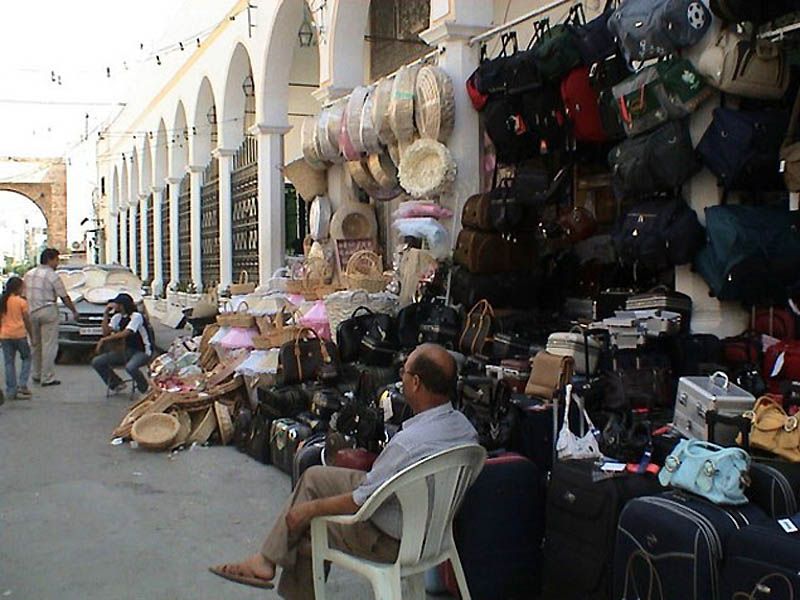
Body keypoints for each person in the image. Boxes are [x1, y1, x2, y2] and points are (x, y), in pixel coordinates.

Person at [209, 343, 478, 599]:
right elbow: (377, 484)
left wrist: (308, 511)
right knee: (314, 477)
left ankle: (270, 563)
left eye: (404, 373)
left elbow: (359, 501)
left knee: (308, 530)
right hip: (433, 529)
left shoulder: (408, 443)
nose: (402, 379)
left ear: (416, 383)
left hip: (392, 539)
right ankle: (265, 561)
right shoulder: (465, 429)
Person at [23, 248, 79, 387]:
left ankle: (36, 373)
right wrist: (73, 310)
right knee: (49, 345)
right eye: (56, 260)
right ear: (50, 259)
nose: (57, 263)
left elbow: (23, 295)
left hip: (31, 311)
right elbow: (63, 296)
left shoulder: (28, 274)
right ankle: (47, 377)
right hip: (48, 311)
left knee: (36, 344)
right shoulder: (52, 275)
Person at [91, 292, 153, 394]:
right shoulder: (117, 317)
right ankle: (116, 384)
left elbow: (126, 333)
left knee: (131, 367)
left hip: (142, 351)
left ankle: (145, 388)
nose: (114, 306)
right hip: (126, 350)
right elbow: (105, 332)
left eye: (117, 304)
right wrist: (106, 314)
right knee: (97, 362)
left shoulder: (136, 316)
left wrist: (104, 340)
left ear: (122, 305)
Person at [0, 276, 33, 400]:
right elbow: (26, 319)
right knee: (27, 358)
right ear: (18, 288)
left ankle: (11, 390)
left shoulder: (3, 301)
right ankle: (22, 384)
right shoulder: (21, 302)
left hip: (5, 334)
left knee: (9, 363)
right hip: (19, 334)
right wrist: (31, 334)